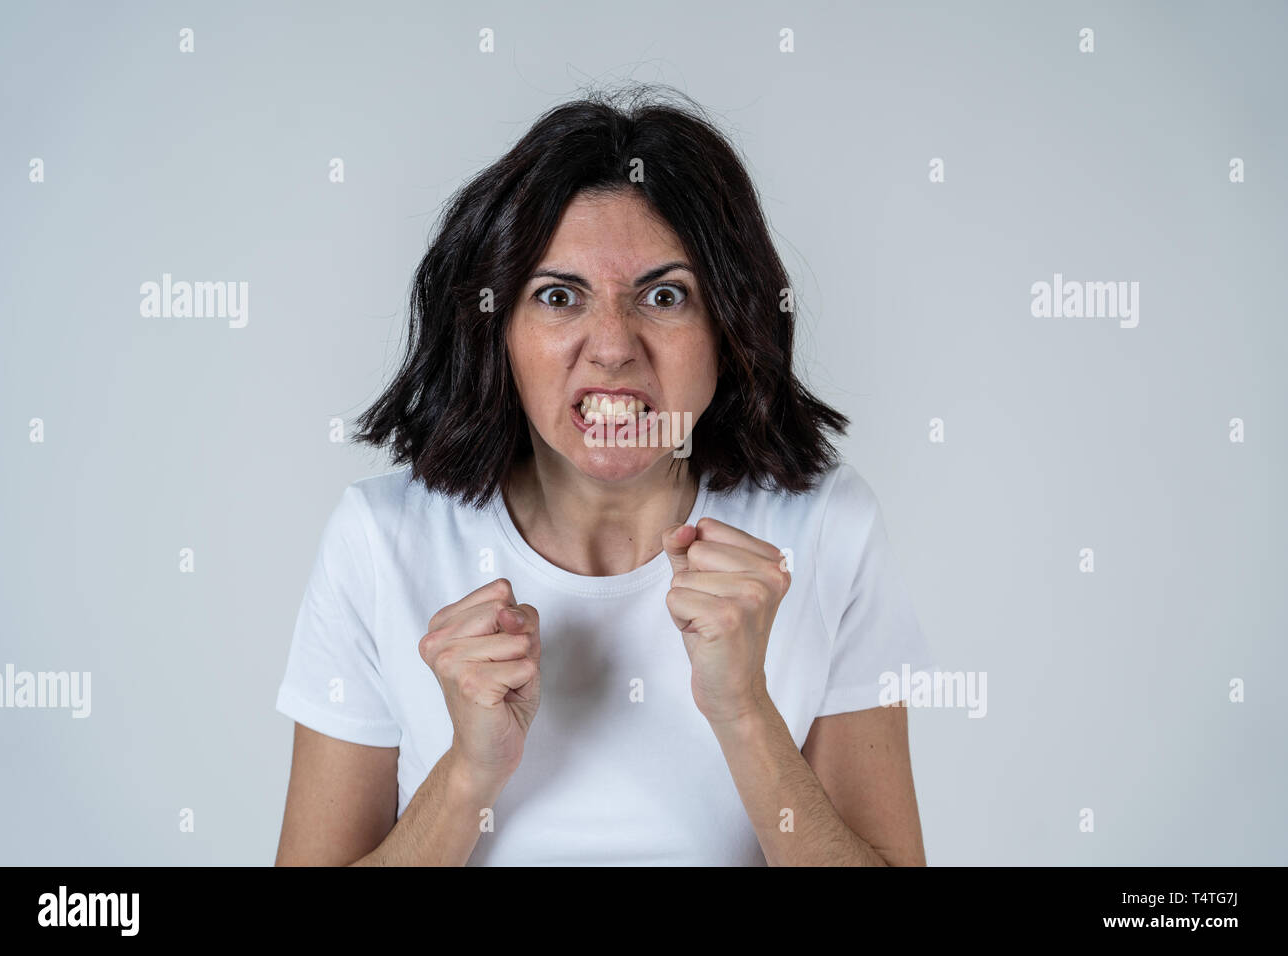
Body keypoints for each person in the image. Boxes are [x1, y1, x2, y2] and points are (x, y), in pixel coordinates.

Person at [273, 86, 936, 866]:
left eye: (664, 295)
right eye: (559, 296)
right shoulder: (379, 540)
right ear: (499, 332)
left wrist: (745, 713)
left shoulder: (828, 528)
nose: (614, 346)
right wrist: (468, 775)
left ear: (729, 325)